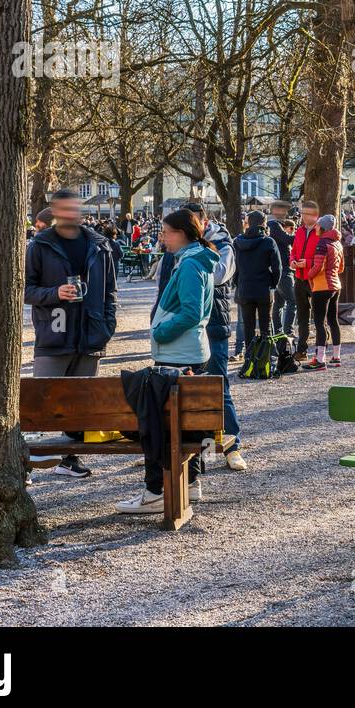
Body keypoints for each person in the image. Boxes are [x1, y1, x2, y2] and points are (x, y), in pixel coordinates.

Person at [117, 208, 218, 514]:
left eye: (166, 231)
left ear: (182, 233)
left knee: (161, 424)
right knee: (190, 423)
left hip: (179, 353)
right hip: (190, 351)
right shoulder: (195, 260)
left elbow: (190, 312)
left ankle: (155, 491)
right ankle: (189, 484)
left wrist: (160, 331)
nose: (162, 237)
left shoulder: (190, 265)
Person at [24, 188, 118, 479]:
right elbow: (25, 289)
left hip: (90, 333)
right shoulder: (40, 246)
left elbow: (110, 292)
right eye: (63, 208)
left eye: (73, 207)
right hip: (54, 332)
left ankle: (70, 458)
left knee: (80, 403)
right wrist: (55, 293)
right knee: (45, 400)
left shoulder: (99, 245)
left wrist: (107, 325)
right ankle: (25, 463)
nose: (69, 213)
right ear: (54, 211)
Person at [155, 202, 242, 468]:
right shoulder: (177, 249)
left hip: (212, 325)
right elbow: (164, 285)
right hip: (181, 332)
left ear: (201, 223)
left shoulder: (220, 247)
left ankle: (231, 445)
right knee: (179, 393)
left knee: (217, 387)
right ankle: (179, 452)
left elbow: (217, 277)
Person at [232, 210, 283, 361]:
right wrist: (272, 283)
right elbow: (277, 268)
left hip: (245, 288)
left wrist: (238, 283)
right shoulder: (268, 242)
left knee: (248, 327)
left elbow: (235, 266)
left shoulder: (238, 241)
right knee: (265, 326)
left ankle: (249, 359)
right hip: (263, 289)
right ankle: (264, 359)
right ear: (263, 223)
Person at [303, 214, 344, 370]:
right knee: (333, 320)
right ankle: (336, 356)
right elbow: (341, 268)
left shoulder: (322, 243)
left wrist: (308, 276)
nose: (316, 228)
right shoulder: (337, 243)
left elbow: (317, 266)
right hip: (335, 285)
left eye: (318, 225)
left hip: (322, 286)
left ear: (323, 227)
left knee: (320, 322)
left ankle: (320, 359)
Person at [288, 201, 321, 361]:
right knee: (302, 317)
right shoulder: (300, 231)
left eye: (305, 213)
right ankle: (302, 350)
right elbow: (293, 251)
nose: (302, 216)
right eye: (302, 213)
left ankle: (321, 350)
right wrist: (292, 261)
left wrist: (306, 263)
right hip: (300, 278)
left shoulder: (321, 231)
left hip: (315, 279)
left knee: (319, 316)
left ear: (314, 215)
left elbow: (323, 256)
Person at [266, 199, 298, 356]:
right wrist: (301, 233)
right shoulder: (274, 225)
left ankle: (278, 332)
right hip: (284, 270)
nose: (285, 212)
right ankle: (288, 332)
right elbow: (288, 239)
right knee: (293, 301)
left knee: (278, 303)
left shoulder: (271, 226)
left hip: (277, 270)